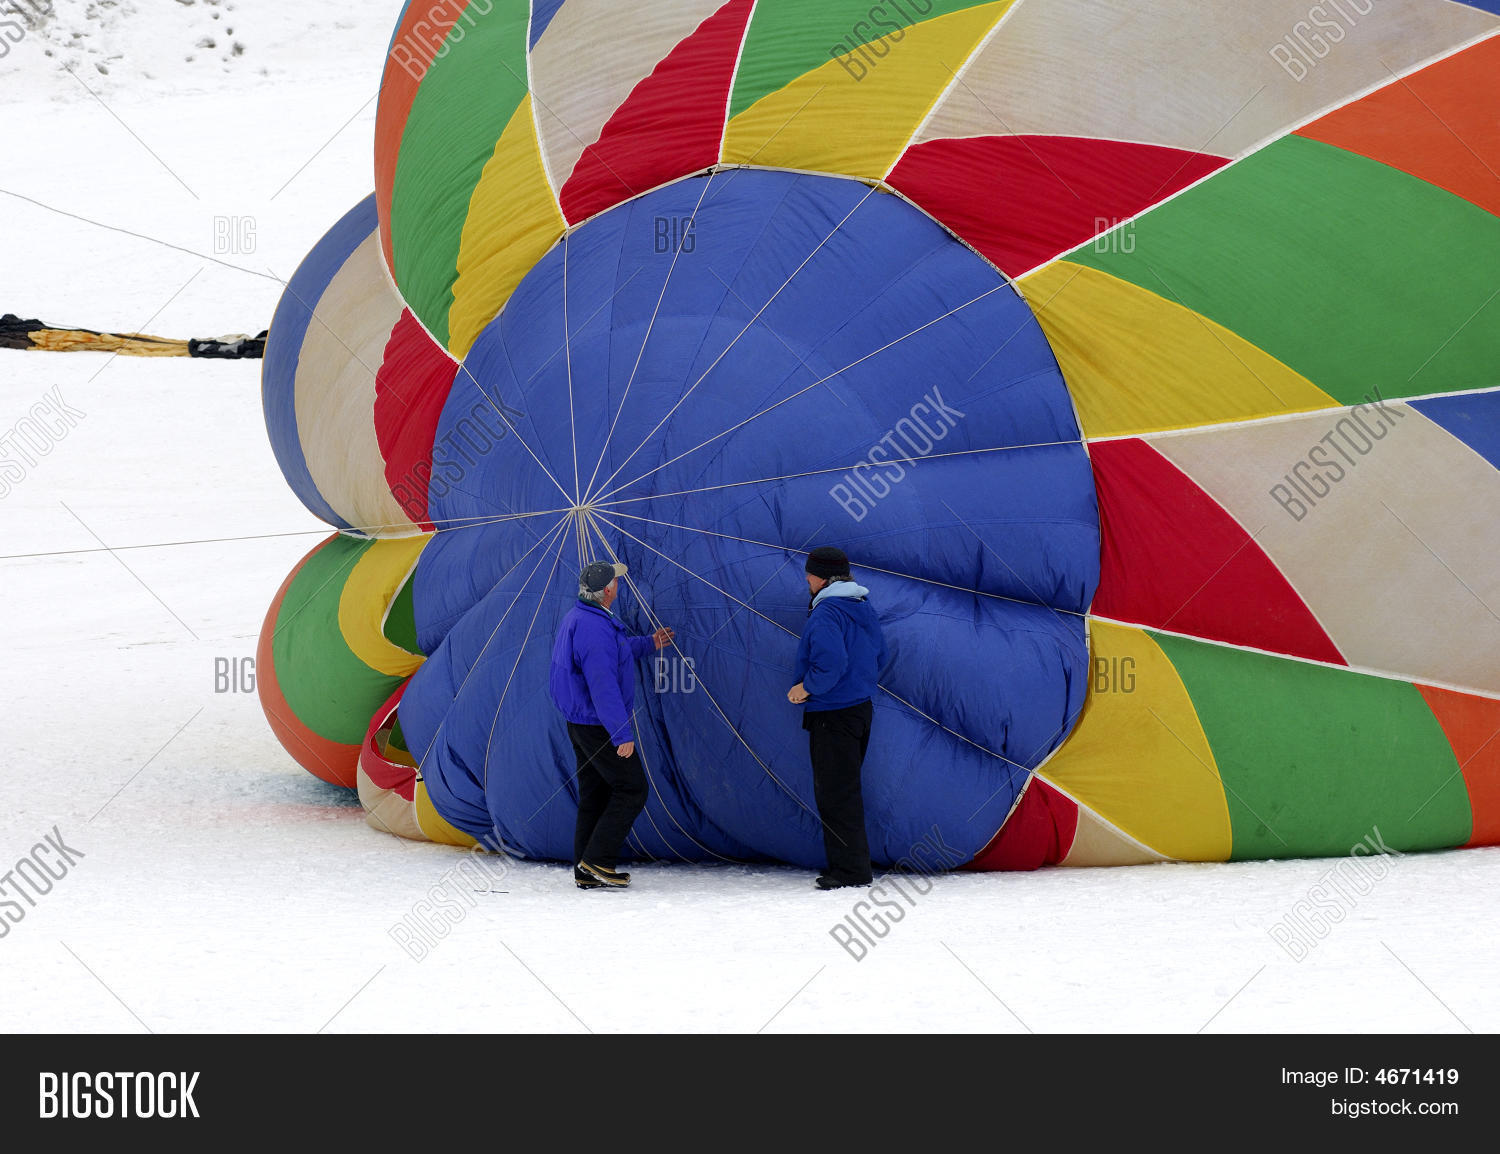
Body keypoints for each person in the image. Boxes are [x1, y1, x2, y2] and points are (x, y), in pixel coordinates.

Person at [549, 560, 673, 890]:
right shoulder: (594, 628)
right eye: (616, 581)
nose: (619, 585)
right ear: (608, 591)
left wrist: (648, 644)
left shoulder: (582, 617)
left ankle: (584, 869)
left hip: (579, 722)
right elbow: (603, 685)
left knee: (595, 793)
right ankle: (599, 860)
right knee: (633, 789)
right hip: (598, 724)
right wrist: (621, 735)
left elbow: (613, 650)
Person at [787, 546, 888, 890]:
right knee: (845, 791)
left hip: (832, 712)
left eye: (809, 574)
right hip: (861, 709)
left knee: (834, 794)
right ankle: (852, 865)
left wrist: (805, 687)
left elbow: (831, 663)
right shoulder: (863, 606)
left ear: (823, 577)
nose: (806, 580)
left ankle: (850, 871)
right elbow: (880, 654)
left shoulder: (827, 612)